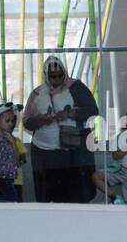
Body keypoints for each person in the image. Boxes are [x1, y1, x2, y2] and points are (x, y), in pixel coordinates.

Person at [22, 55, 98, 203]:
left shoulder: (76, 87)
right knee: (50, 191)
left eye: (59, 75)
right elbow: (27, 122)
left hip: (71, 150)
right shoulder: (37, 93)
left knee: (73, 190)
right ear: (46, 75)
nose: (56, 79)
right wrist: (41, 119)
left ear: (65, 72)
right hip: (44, 151)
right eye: (52, 76)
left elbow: (92, 110)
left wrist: (70, 113)